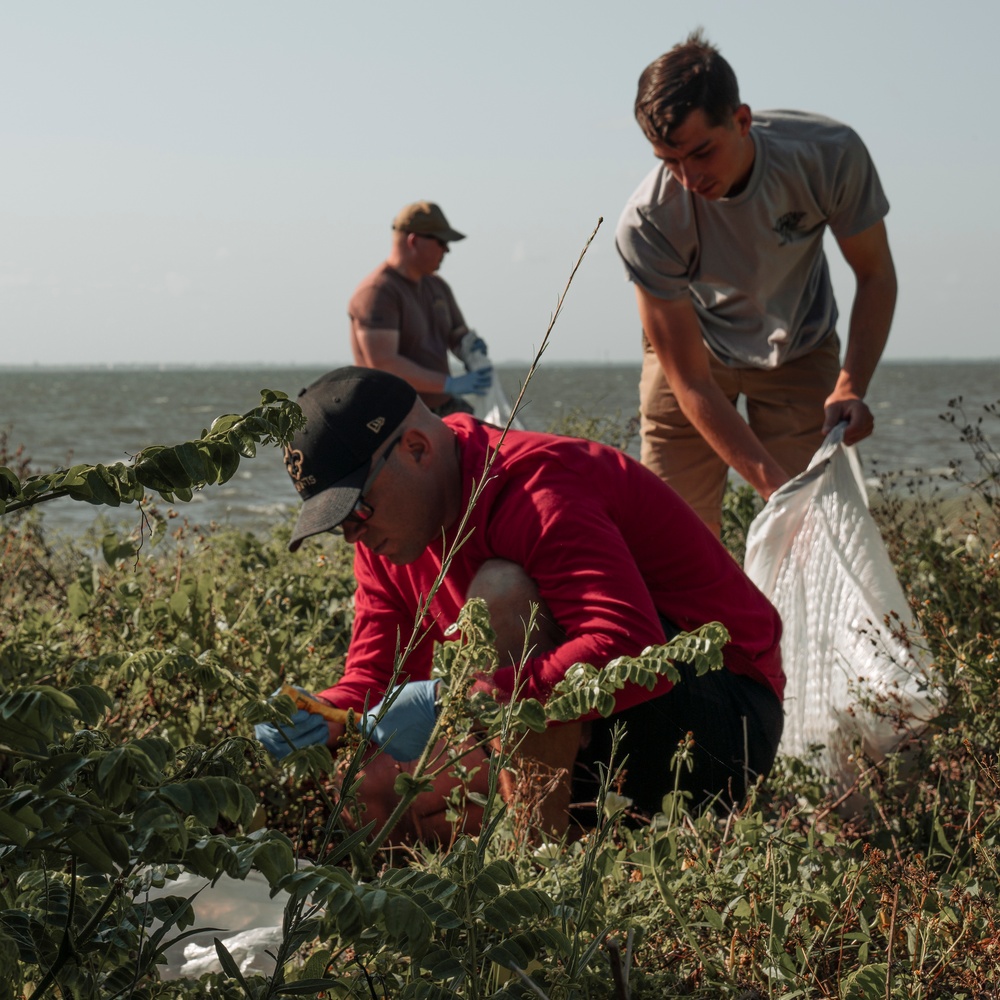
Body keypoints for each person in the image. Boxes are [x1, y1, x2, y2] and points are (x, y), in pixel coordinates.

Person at [257, 366, 785, 842]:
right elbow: (375, 678)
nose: (355, 534)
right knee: (372, 785)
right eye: (339, 524)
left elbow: (632, 648)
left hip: (720, 718)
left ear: (417, 447)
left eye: (358, 509)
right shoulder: (388, 542)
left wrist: (459, 702)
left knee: (501, 592)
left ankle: (535, 885)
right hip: (592, 723)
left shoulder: (536, 487)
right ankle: (443, 919)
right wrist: (324, 714)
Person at [616, 30, 897, 536]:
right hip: (694, 357)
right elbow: (689, 381)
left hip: (800, 347)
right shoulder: (647, 223)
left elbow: (876, 275)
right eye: (668, 161)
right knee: (671, 541)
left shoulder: (828, 156)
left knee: (817, 532)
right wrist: (774, 488)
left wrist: (851, 386)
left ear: (742, 120)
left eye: (702, 152)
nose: (688, 178)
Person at [348, 200, 493, 418]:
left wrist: (471, 347)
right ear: (414, 241)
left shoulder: (438, 287)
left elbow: (457, 333)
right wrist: (449, 384)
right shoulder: (377, 292)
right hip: (397, 418)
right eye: (441, 241)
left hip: (442, 409)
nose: (447, 250)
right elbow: (384, 362)